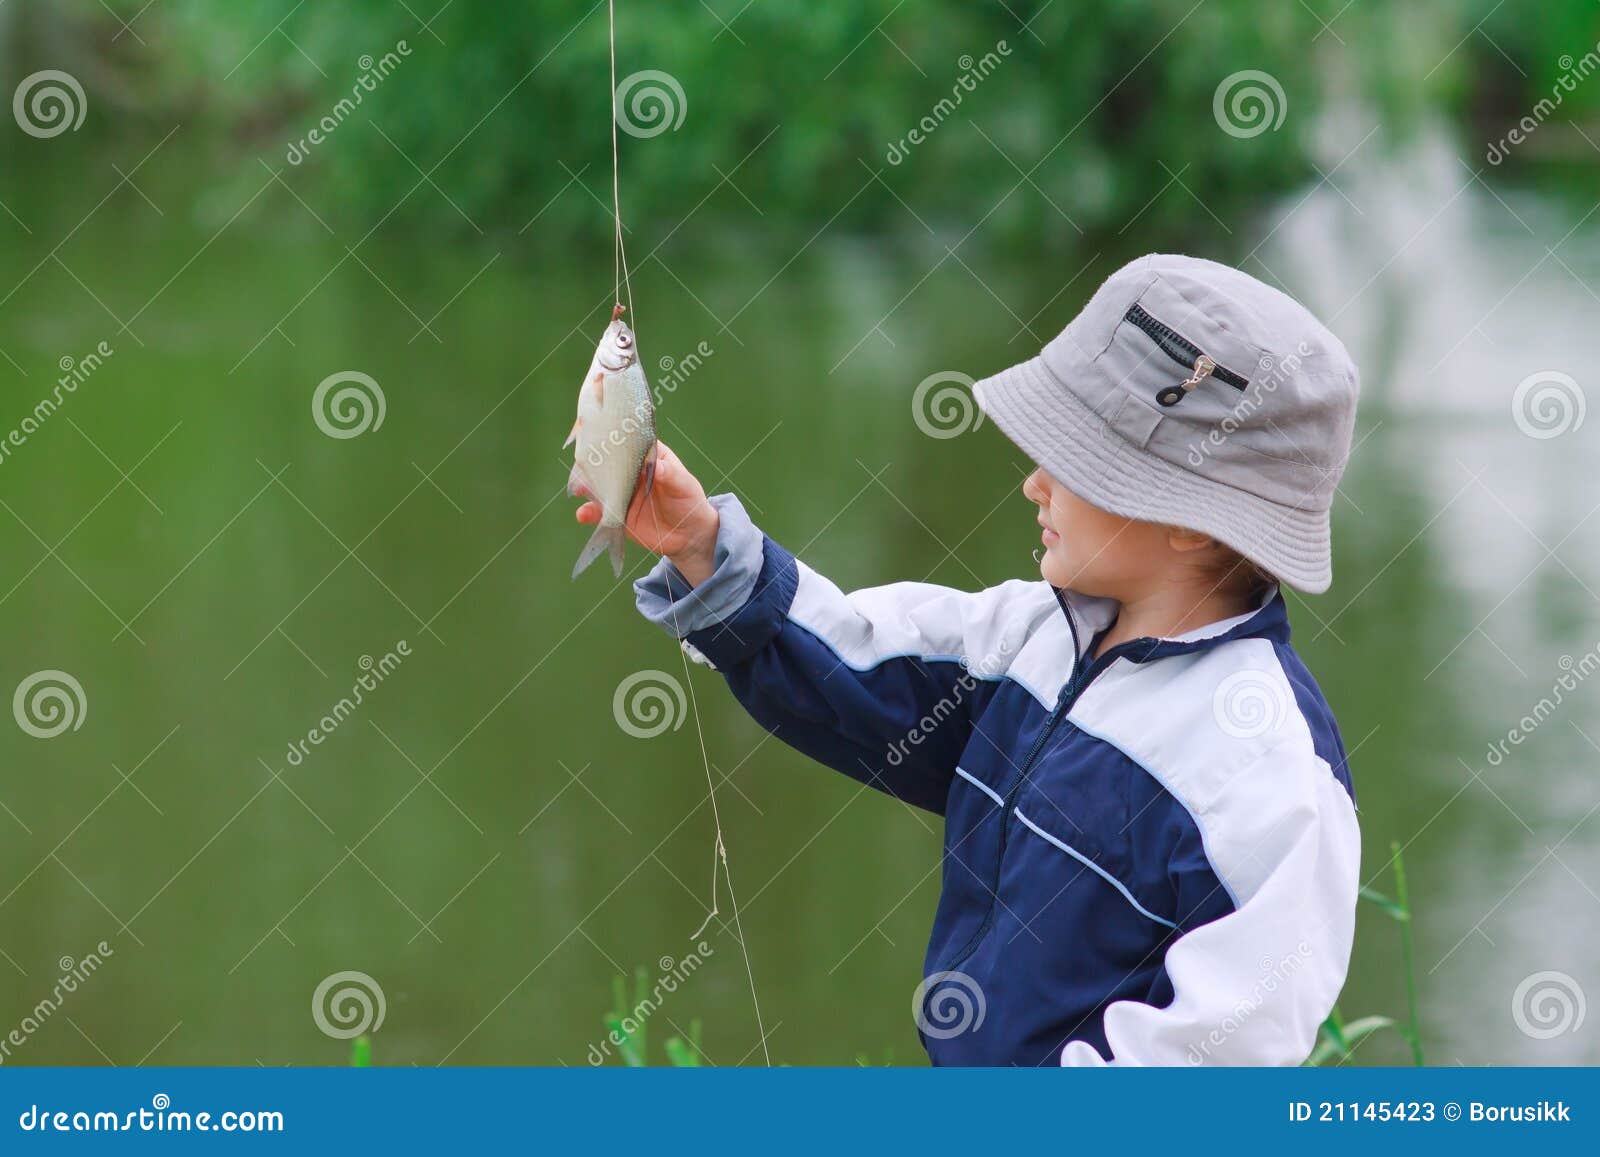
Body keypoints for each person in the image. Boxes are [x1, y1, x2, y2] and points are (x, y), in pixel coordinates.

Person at [574, 254, 1361, 1066]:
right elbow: (855, 665)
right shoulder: (1029, 636)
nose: (1034, 482)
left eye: (1077, 458)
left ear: (1191, 520)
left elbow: (1219, 1063)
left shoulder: (1270, 772)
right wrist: (705, 548)